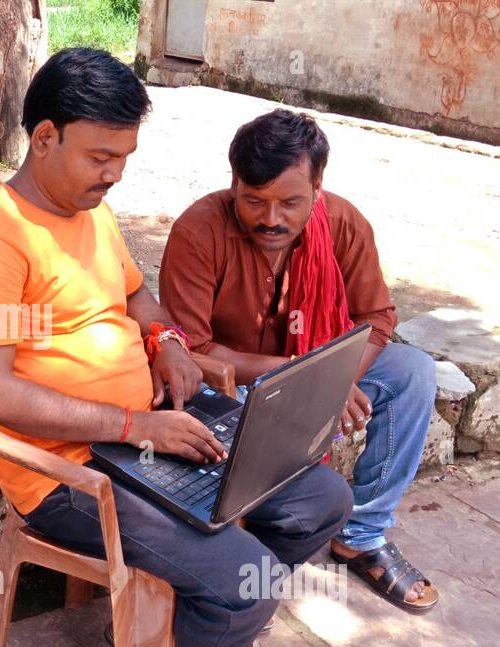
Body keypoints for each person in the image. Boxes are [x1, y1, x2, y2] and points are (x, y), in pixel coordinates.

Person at [0, 49, 352, 647]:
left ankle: (183, 624)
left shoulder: (88, 211)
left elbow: (137, 297)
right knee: (246, 585)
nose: (113, 175)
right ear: (45, 138)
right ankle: (216, 612)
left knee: (322, 501)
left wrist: (168, 341)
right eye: (100, 157)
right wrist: (135, 426)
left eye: (123, 159)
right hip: (70, 472)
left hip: (149, 431)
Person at [159, 109, 439, 612]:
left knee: (412, 372)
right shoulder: (200, 231)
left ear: (317, 186)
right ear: (233, 184)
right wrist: (306, 380)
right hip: (233, 392)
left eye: (290, 202)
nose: (271, 218)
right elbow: (192, 348)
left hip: (320, 370)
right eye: (254, 200)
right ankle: (243, 561)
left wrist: (332, 381)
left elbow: (375, 317)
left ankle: (364, 533)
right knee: (237, 420)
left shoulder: (342, 223)